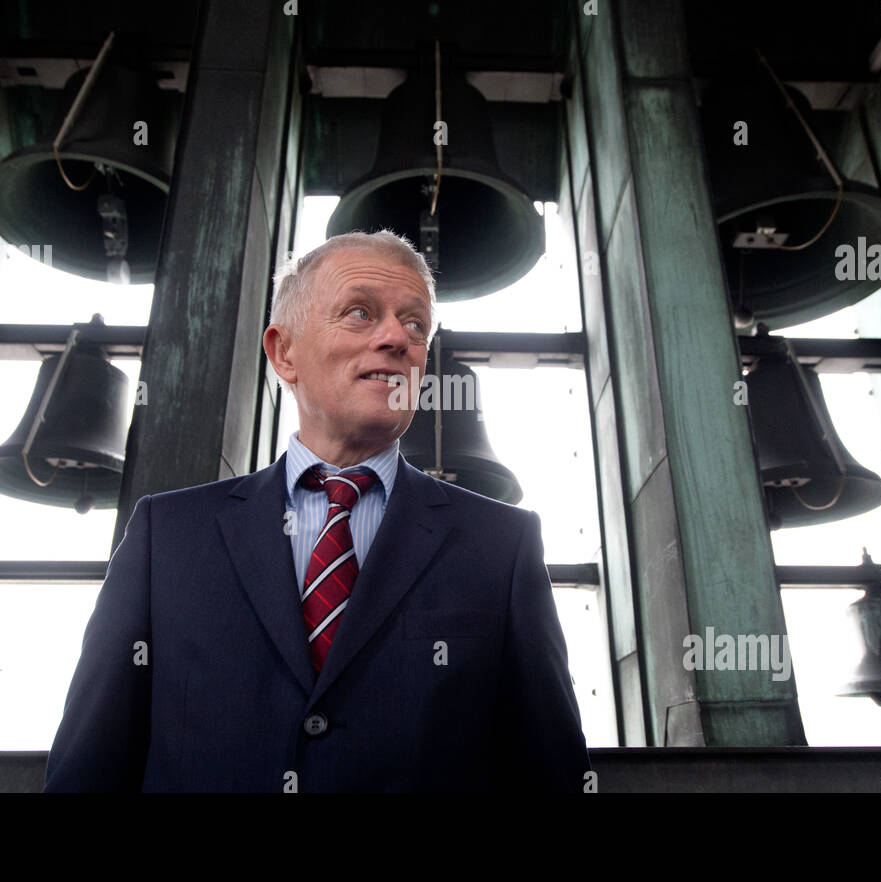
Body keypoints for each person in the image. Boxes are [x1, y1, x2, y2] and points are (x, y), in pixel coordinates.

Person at [43, 230, 591, 792]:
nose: (398, 338)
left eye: (416, 324)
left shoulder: (502, 545)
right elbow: (90, 767)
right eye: (360, 312)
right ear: (285, 352)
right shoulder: (168, 536)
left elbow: (552, 774)